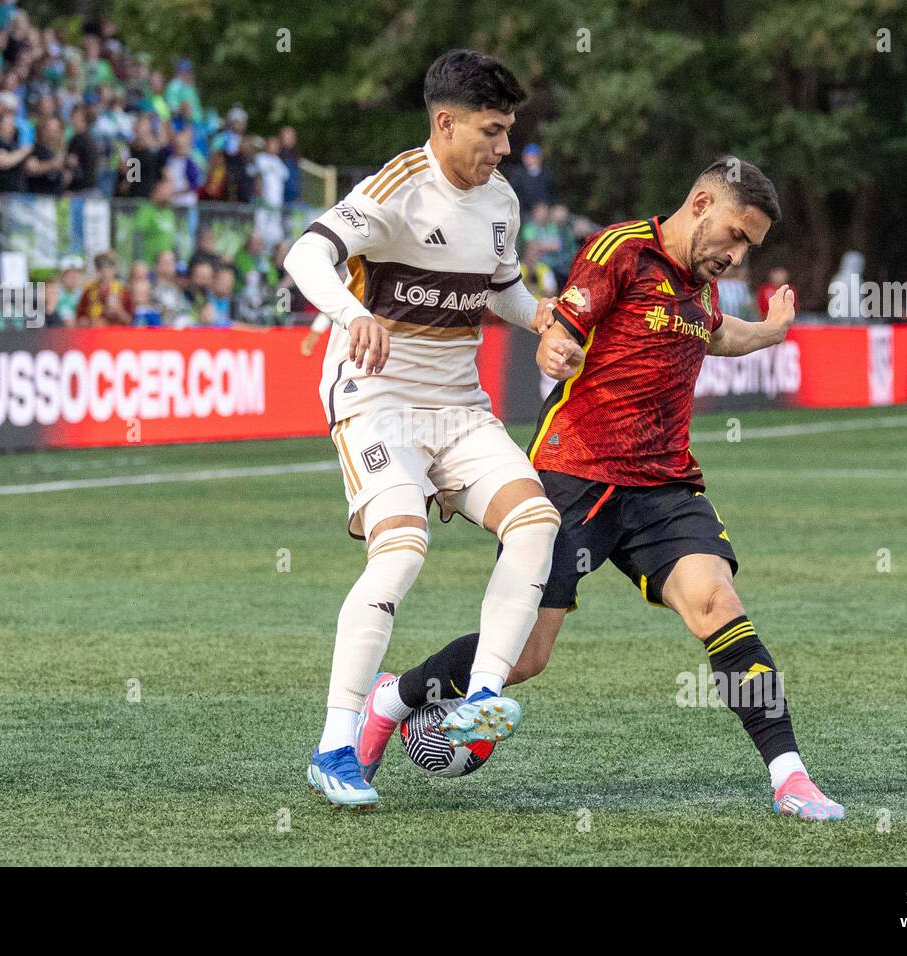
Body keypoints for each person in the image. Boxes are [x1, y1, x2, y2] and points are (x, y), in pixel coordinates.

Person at [363, 157, 846, 822]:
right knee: (527, 656)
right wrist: (554, 347)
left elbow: (712, 331)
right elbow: (565, 323)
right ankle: (391, 698)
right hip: (575, 474)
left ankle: (790, 777)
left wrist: (768, 331)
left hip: (663, 484)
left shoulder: (700, 283)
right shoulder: (621, 250)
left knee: (718, 602)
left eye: (750, 248)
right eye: (735, 236)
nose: (737, 256)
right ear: (701, 203)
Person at [284, 50, 558, 809]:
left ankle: (481, 698)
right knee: (403, 549)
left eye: (508, 133)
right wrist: (352, 313)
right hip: (376, 400)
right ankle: (335, 746)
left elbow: (500, 287)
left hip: (459, 406)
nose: (504, 149)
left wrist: (539, 317)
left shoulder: (500, 200)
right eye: (493, 131)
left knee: (536, 525)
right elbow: (304, 255)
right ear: (445, 123)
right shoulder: (398, 187)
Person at [75, 251, 132, 326]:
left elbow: (130, 321)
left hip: (117, 333)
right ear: (96, 270)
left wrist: (119, 310)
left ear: (114, 269)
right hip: (94, 333)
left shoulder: (123, 291)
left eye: (109, 267)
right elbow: (79, 319)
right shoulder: (89, 291)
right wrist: (91, 322)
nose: (105, 272)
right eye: (100, 268)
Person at [508, 142, 553, 211]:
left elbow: (551, 195)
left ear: (539, 158)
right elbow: (514, 195)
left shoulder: (546, 175)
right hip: (525, 212)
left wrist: (546, 207)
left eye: (533, 157)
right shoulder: (518, 175)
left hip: (545, 211)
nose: (530, 160)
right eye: (527, 157)